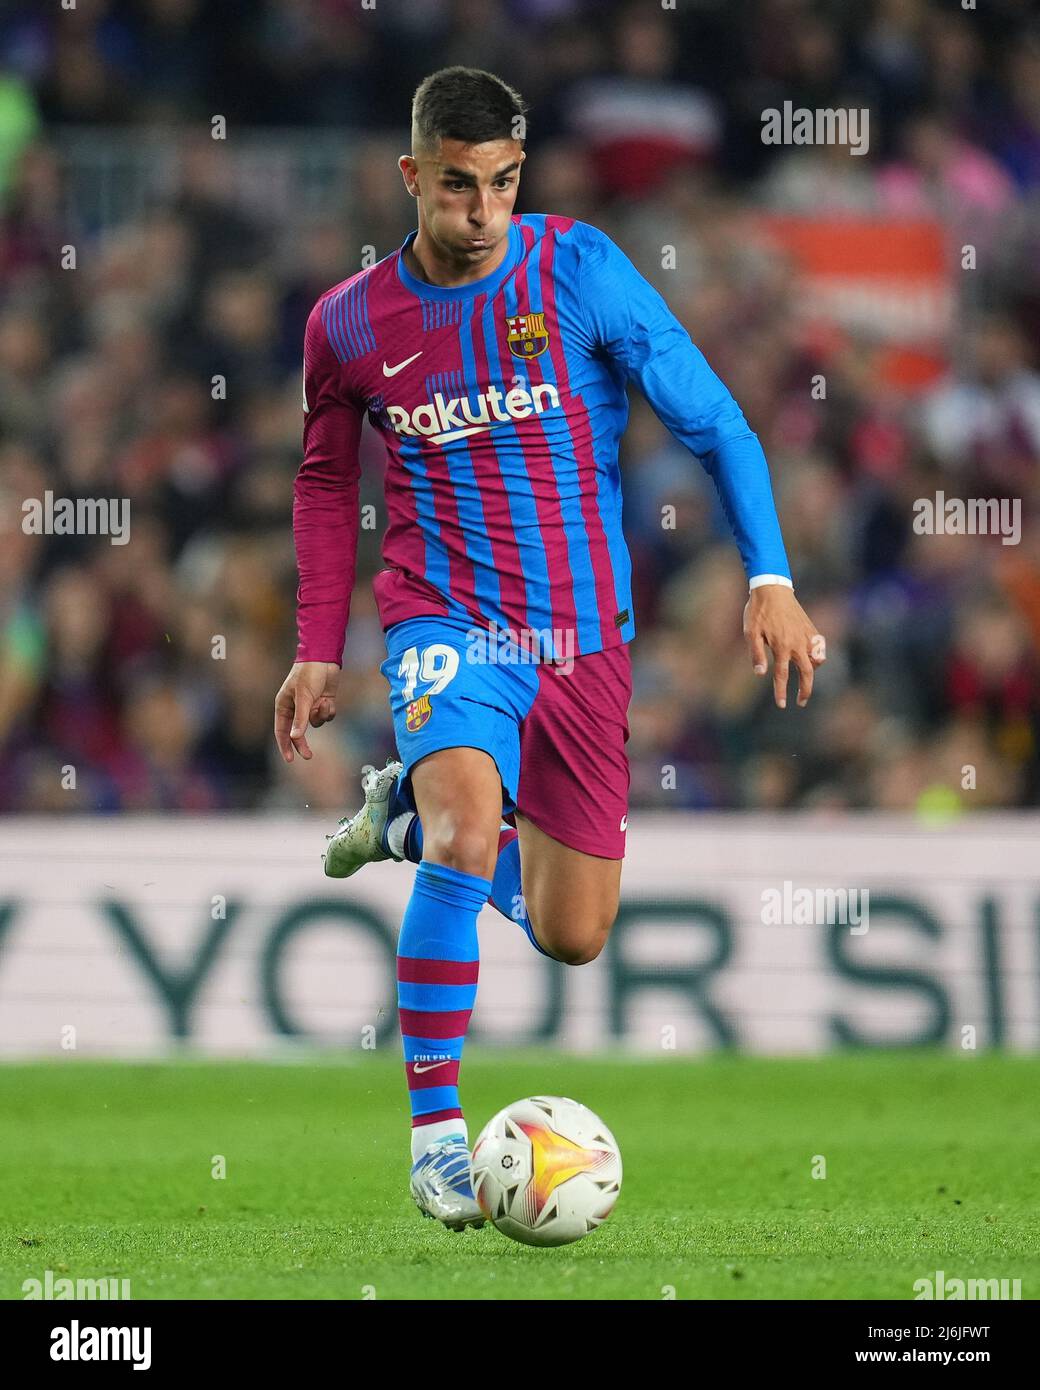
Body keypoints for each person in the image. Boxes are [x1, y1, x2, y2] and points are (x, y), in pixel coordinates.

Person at [273, 66, 824, 1232]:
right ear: (412, 175)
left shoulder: (577, 267)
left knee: (574, 935)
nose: (484, 213)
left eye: (505, 185)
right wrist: (317, 643)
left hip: (582, 638)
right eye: (461, 187)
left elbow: (713, 418)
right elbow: (325, 480)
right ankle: (433, 1140)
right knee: (477, 823)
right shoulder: (347, 322)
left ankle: (406, 825)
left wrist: (767, 575)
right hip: (444, 622)